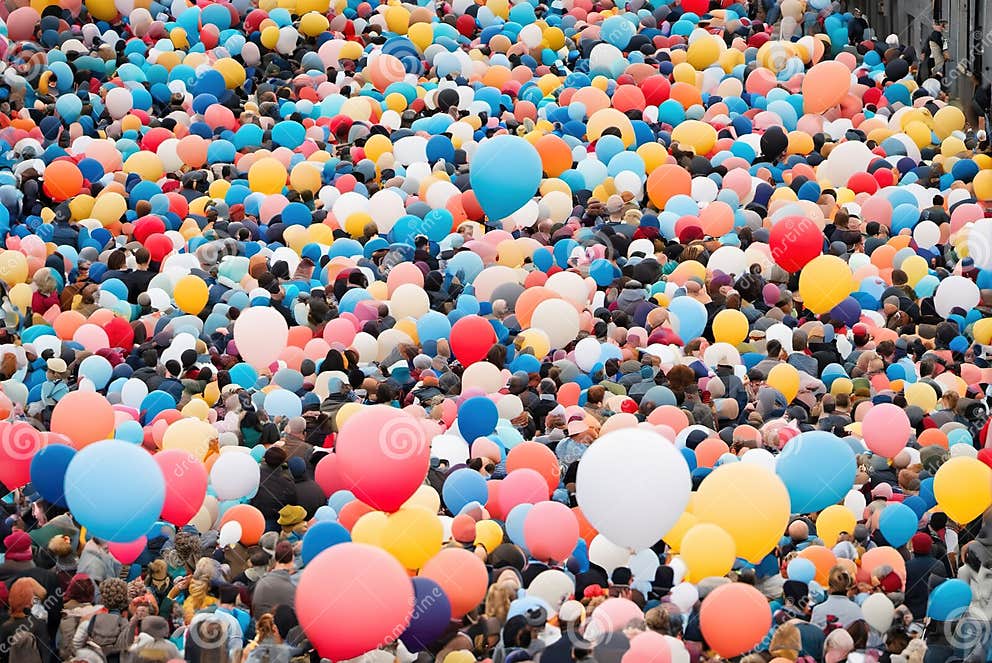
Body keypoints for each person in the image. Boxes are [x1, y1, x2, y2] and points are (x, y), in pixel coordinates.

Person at [250, 543, 296, 619]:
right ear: (292, 558)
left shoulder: (261, 582)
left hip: (260, 625)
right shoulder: (294, 584)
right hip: (281, 626)